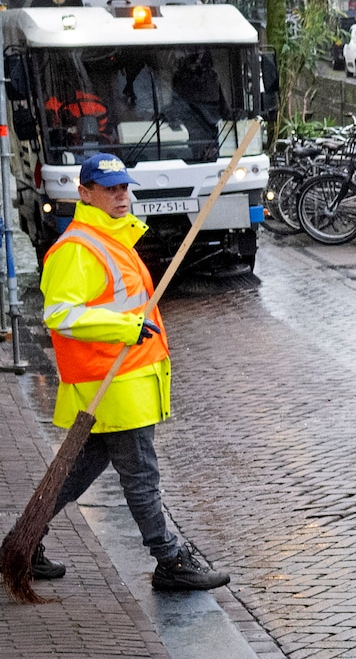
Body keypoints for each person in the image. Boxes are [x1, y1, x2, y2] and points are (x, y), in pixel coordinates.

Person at [26, 152, 229, 592]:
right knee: (141, 475)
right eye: (110, 188)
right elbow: (59, 314)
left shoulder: (113, 240)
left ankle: (22, 544)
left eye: (124, 187)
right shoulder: (77, 249)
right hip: (112, 383)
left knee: (75, 472)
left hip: (122, 380)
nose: (122, 195)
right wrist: (126, 326)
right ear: (85, 193)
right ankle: (170, 559)